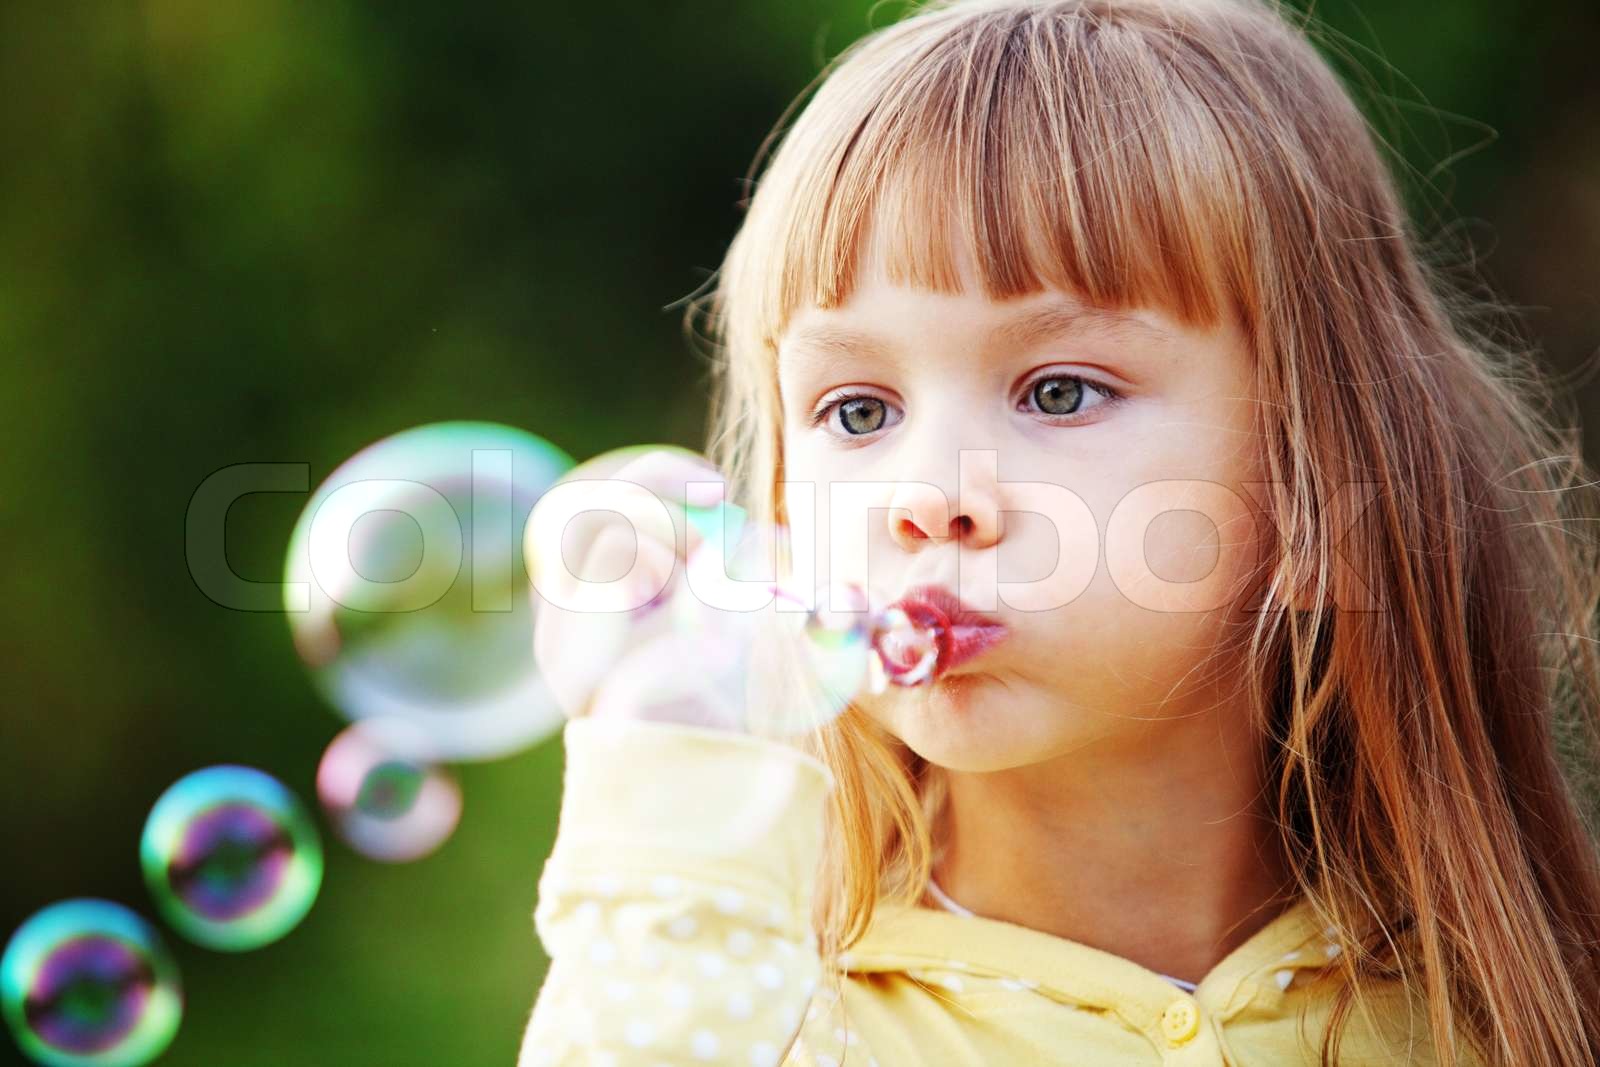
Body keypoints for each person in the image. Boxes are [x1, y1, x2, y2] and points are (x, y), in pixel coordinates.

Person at [517, 0, 1600, 1063]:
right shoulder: (750, 1008)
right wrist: (674, 791)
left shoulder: (1513, 1010)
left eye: (1060, 391)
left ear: (1319, 488)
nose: (929, 492)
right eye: (858, 410)